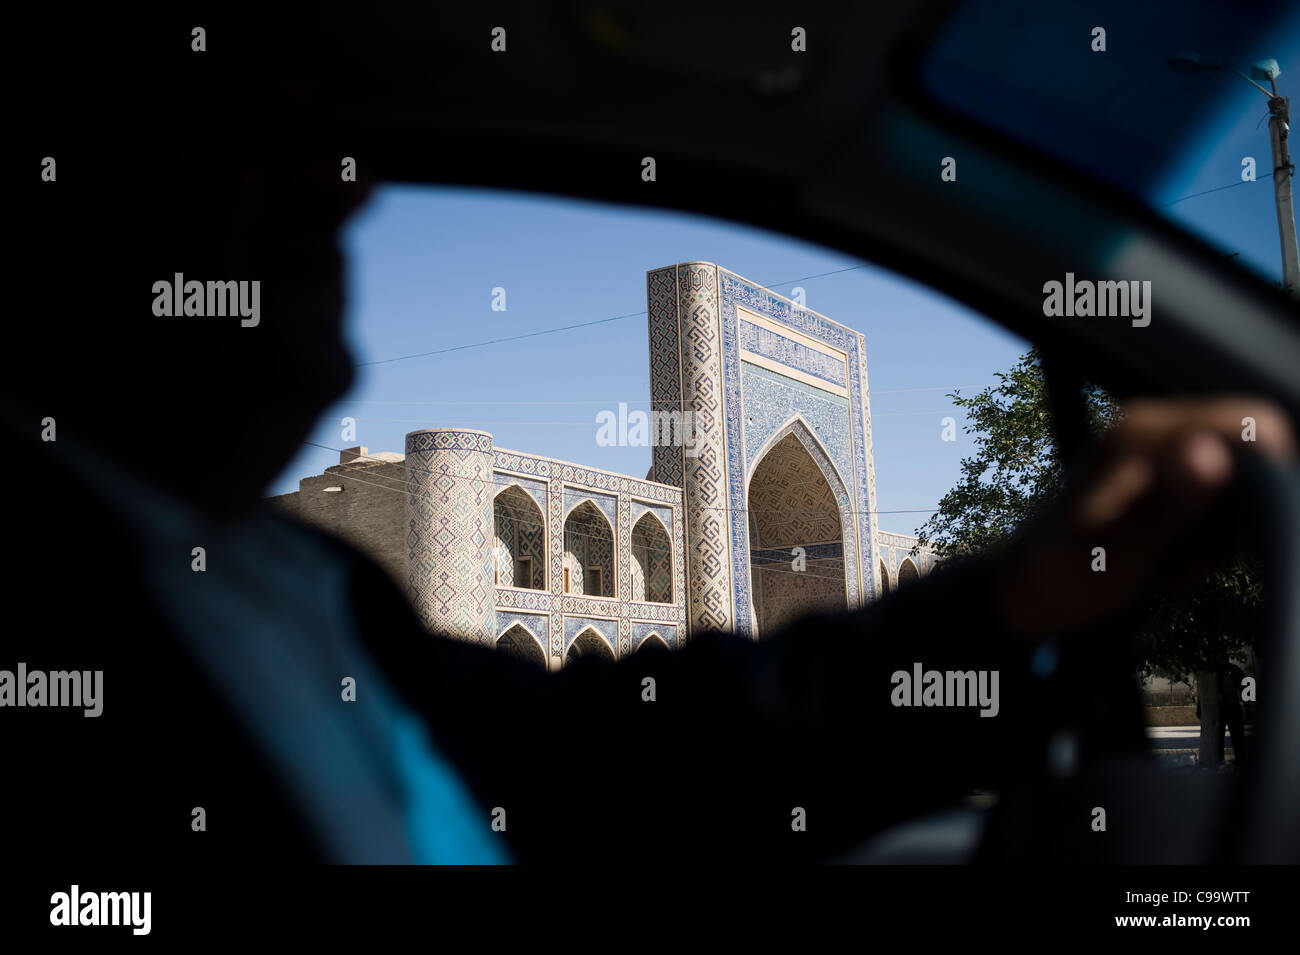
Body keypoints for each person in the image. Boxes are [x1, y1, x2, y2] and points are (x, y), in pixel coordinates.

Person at [8, 13, 1296, 864]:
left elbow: (642, 760)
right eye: (251, 125)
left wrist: (1008, 609)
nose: (347, 182)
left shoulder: (309, 586)